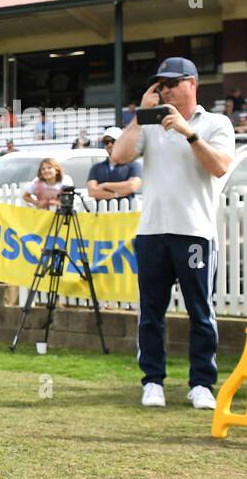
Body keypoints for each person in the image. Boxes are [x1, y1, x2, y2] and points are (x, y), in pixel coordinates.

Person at [111, 58, 235, 410]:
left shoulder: (215, 122)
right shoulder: (148, 125)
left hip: (194, 231)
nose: (164, 89)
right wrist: (139, 115)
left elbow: (219, 166)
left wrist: (187, 131)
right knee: (151, 312)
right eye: (159, 84)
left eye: (170, 82)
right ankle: (152, 382)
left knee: (200, 311)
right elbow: (119, 155)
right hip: (152, 231)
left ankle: (201, 384)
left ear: (192, 83)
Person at [85, 126, 142, 210]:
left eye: (113, 141)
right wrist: (117, 194)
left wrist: (104, 185)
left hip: (126, 217)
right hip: (102, 218)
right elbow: (92, 191)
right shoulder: (96, 168)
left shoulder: (133, 165)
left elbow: (132, 186)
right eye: (106, 142)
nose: (109, 144)